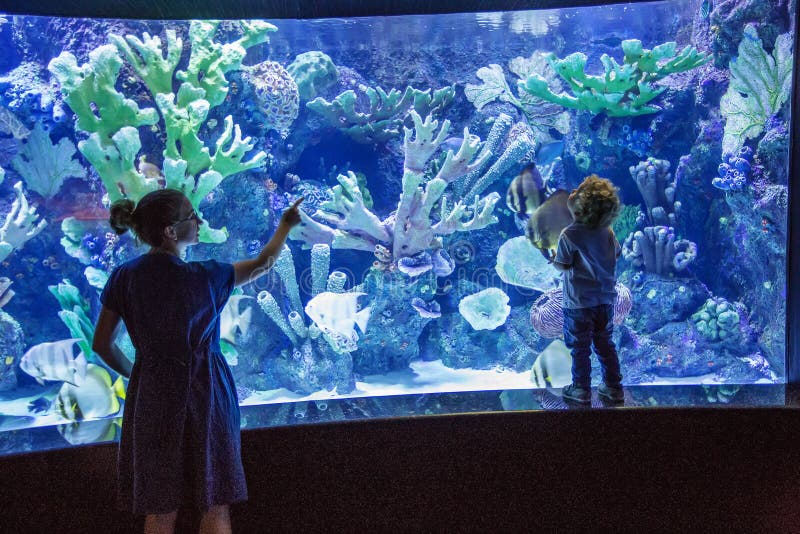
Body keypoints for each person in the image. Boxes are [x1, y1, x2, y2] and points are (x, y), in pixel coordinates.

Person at [92, 188, 303, 534]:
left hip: (153, 395)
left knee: (159, 507)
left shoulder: (124, 277)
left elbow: (102, 344)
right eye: (192, 216)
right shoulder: (207, 276)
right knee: (214, 499)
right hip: (208, 392)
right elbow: (263, 264)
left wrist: (138, 376)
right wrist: (284, 226)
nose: (200, 220)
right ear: (171, 232)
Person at [551, 175, 624, 405]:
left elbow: (563, 265)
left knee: (579, 347)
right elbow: (617, 254)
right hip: (604, 300)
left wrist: (554, 258)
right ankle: (614, 387)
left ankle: (581, 388)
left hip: (578, 303)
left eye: (577, 191)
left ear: (581, 206)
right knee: (605, 343)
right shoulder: (608, 232)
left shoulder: (570, 234)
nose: (571, 192)